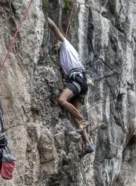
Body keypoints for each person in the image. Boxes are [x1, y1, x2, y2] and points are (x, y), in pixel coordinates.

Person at [46, 16, 94, 156]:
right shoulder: (63, 58)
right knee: (73, 115)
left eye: (56, 44)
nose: (55, 46)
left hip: (77, 79)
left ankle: (83, 120)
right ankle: (87, 144)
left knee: (61, 100)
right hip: (81, 81)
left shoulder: (65, 44)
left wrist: (46, 18)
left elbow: (54, 28)